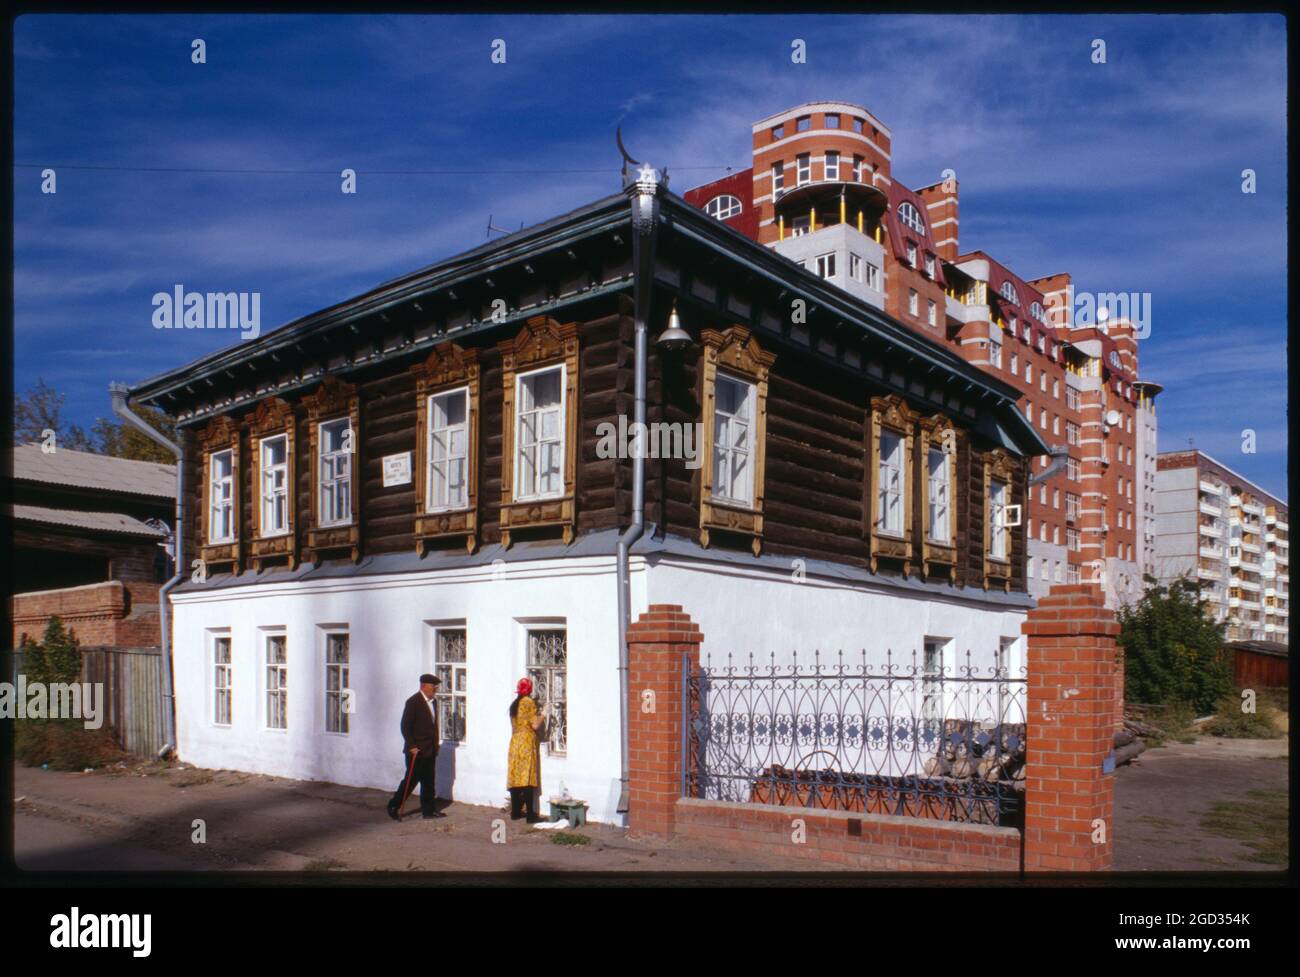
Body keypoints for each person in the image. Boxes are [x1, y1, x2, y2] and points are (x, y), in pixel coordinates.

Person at [388, 673, 445, 820]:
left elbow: (433, 727)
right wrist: (412, 745)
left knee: (429, 781)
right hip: (416, 751)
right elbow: (405, 726)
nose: (435, 690)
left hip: (430, 749)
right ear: (423, 686)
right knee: (410, 781)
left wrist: (435, 745)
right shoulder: (413, 702)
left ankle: (428, 810)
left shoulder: (433, 702)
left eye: (436, 687)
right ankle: (394, 805)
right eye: (433, 687)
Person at [507, 677, 549, 823]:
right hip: (526, 742)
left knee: (516, 776)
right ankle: (531, 814)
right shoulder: (528, 702)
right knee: (528, 776)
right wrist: (544, 713)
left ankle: (515, 811)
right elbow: (535, 725)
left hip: (514, 741)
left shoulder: (514, 704)